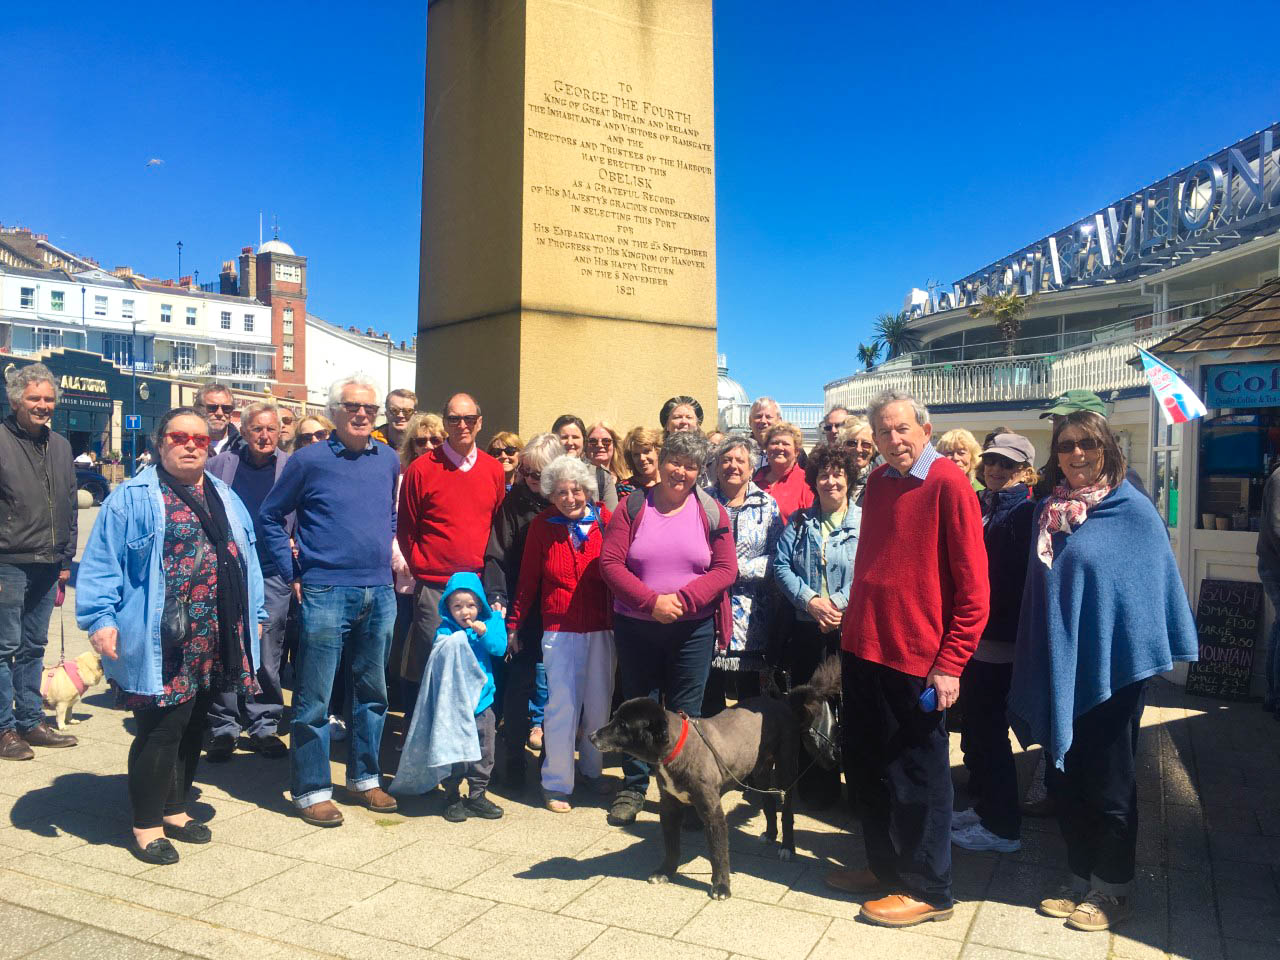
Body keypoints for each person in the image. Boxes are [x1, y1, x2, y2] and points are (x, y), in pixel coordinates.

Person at [1008, 411, 1197, 933]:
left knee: (1110, 781)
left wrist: (1121, 651)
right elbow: (1042, 597)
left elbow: (1141, 591)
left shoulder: (1131, 510)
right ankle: (1079, 873)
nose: (1076, 454)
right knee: (1066, 777)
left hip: (1114, 671)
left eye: (1087, 444)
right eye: (1066, 445)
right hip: (1060, 666)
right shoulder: (1050, 513)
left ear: (1106, 448)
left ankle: (1113, 889)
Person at [826, 389, 989, 928]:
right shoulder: (877, 480)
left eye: (902, 429)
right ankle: (885, 868)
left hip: (915, 657)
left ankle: (929, 889)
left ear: (925, 427)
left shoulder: (947, 483)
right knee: (868, 769)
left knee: (917, 777)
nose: (893, 440)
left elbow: (973, 589)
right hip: (864, 647)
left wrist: (951, 662)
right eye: (883, 430)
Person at [77, 408, 265, 864]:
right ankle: (145, 825)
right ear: (161, 442)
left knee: (194, 723)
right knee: (160, 731)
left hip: (214, 630)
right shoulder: (133, 496)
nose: (190, 445)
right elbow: (103, 563)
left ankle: (176, 810)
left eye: (200, 439)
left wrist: (255, 613)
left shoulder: (223, 494)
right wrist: (100, 620)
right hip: (160, 635)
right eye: (180, 437)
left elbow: (249, 558)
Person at [260, 373, 401, 827]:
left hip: (378, 591)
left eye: (369, 409)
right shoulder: (310, 460)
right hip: (324, 590)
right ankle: (311, 788)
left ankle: (365, 778)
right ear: (335, 410)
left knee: (372, 693)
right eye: (352, 407)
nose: (362, 414)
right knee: (314, 696)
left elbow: (390, 516)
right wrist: (292, 570)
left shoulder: (389, 460)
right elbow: (269, 517)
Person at [599, 431, 737, 825]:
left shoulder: (711, 512)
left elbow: (727, 569)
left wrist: (683, 601)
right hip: (636, 625)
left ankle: (683, 792)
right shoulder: (633, 506)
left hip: (691, 629)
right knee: (637, 705)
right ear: (661, 462)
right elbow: (610, 564)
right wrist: (651, 602)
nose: (681, 471)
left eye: (690, 465)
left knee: (685, 713)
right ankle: (634, 786)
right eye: (675, 461)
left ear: (699, 471)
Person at [507, 455, 614, 812]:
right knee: (561, 707)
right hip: (559, 629)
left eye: (577, 490)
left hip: (601, 627)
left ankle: (592, 770)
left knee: (599, 706)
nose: (571, 498)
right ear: (552, 495)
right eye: (562, 492)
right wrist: (514, 623)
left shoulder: (605, 521)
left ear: (588, 491)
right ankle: (555, 782)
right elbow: (528, 581)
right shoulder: (542, 525)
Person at [951, 433, 1038, 856]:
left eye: (1008, 464)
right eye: (992, 462)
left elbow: (1010, 582)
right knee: (977, 732)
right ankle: (986, 809)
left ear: (1025, 470)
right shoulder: (985, 505)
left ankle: (1003, 826)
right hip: (976, 639)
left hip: (998, 640)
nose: (997, 470)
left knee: (990, 734)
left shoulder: (1025, 513)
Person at [397, 393, 505, 708]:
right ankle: (424, 733)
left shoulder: (492, 469)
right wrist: (421, 566)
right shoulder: (421, 469)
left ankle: (467, 735)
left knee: (475, 661)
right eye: (455, 419)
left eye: (469, 419)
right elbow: (406, 529)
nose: (462, 425)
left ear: (480, 422)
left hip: (477, 585)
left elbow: (496, 523)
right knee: (431, 661)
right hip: (434, 585)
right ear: (445, 423)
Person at [204, 402, 294, 761]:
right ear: (243, 431)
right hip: (229, 571)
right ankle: (224, 726)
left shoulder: (290, 467)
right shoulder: (220, 465)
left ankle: (264, 724)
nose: (265, 435)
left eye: (271, 429)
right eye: (257, 428)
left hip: (273, 572)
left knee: (267, 652)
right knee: (226, 648)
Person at [773, 443, 861, 805]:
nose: (831, 481)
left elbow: (871, 569)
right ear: (814, 480)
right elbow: (781, 566)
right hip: (807, 628)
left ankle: (859, 789)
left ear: (849, 479)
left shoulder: (865, 522)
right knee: (811, 707)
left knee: (853, 707)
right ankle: (817, 790)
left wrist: (837, 604)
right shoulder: (799, 522)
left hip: (850, 628)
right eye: (824, 474)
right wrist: (811, 602)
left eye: (838, 474)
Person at [0, 364, 78, 760]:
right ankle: (4, 729)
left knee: (33, 646)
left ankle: (31, 720)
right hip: (7, 561)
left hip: (48, 562)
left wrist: (66, 557)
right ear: (16, 400)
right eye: (34, 398)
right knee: (3, 646)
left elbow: (69, 503)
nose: (42, 405)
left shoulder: (61, 445)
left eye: (48, 399)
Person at [483, 434, 564, 782]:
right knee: (519, 685)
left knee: (559, 690)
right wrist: (498, 598)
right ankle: (513, 759)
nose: (531, 478)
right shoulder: (513, 503)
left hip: (559, 608)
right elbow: (496, 556)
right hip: (521, 607)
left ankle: (553, 761)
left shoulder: (568, 500)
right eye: (526, 470)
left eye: (538, 472)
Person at [703, 436, 782, 715]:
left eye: (740, 460)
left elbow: (778, 557)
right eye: (726, 460)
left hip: (753, 617)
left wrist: (734, 570)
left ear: (751, 468)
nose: (732, 466)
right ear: (715, 466)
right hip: (708, 612)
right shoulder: (702, 502)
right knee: (708, 697)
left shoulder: (767, 505)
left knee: (749, 702)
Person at [427, 573, 508, 822]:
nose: (465, 612)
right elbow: (439, 653)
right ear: (447, 608)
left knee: (485, 749)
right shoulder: (445, 630)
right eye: (458, 606)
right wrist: (454, 639)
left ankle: (477, 794)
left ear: (480, 605)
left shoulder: (488, 624)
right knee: (456, 752)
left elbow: (499, 648)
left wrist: (485, 632)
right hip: (454, 704)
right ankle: (451, 795)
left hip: (482, 701)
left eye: (471, 605)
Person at [389, 413, 447, 705]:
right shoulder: (400, 478)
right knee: (407, 652)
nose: (427, 446)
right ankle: (410, 716)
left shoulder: (452, 476)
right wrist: (406, 560)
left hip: (439, 580)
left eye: (435, 440)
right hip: (405, 577)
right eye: (420, 441)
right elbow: (394, 524)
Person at [754, 422, 813, 523]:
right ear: (766, 449)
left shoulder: (807, 482)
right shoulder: (754, 481)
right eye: (774, 443)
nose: (779, 447)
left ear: (796, 452)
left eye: (786, 444)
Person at [1259, 456, 1280, 720]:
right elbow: (1277, 528)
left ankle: (1272, 695)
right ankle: (1276, 698)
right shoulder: (1279, 478)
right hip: (1275, 566)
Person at [837, 416, 876, 506]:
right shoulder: (832, 478)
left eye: (866, 444)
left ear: (873, 449)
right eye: (852, 443)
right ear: (842, 446)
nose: (858, 449)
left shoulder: (882, 481)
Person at [195, 381, 241, 455]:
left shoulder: (244, 447)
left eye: (226, 408)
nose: (219, 413)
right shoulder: (185, 445)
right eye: (212, 408)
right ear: (198, 408)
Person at [586, 421, 626, 505]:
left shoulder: (626, 478)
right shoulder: (581, 479)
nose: (600, 445)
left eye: (606, 441)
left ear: (614, 446)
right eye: (593, 441)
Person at [617, 426, 662, 496]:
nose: (642, 458)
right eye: (636, 454)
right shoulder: (625, 488)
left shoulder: (670, 483)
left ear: (657, 451)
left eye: (646, 451)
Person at [935, 428, 984, 493]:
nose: (955, 458)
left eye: (961, 453)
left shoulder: (982, 491)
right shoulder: (935, 489)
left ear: (972, 456)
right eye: (949, 453)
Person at [749, 397, 781, 462]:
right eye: (758, 416)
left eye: (768, 417)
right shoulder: (741, 450)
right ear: (750, 421)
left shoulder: (791, 451)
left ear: (779, 421)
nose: (763, 421)